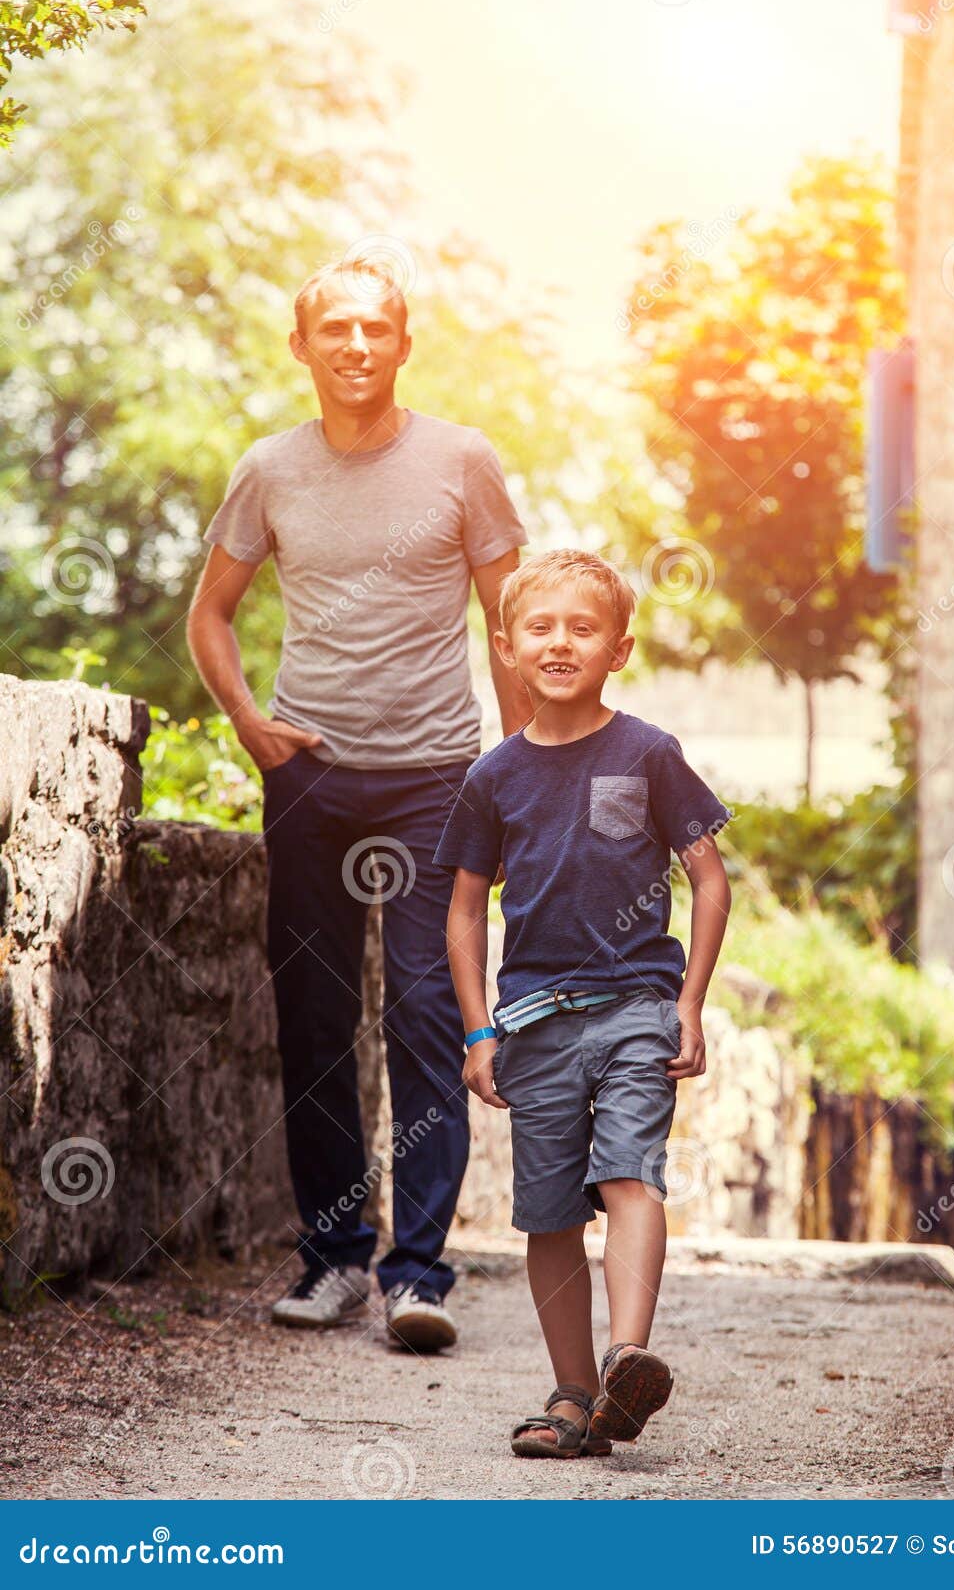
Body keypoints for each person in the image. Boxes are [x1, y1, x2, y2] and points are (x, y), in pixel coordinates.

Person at [187, 256, 532, 1351]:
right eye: (332, 329)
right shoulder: (268, 469)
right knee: (314, 1019)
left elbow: (509, 621)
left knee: (430, 1012)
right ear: (301, 347)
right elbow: (211, 615)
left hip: (439, 776)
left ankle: (417, 1274)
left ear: (402, 343)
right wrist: (250, 724)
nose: (354, 346)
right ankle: (336, 1255)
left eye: (374, 328)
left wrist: (527, 773)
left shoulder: (461, 462)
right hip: (311, 779)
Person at [434, 548, 732, 1454]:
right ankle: (573, 1400)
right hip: (533, 1024)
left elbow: (710, 882)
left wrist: (689, 1003)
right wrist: (478, 1029)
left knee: (631, 1170)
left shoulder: (649, 754)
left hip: (639, 1005)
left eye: (583, 628)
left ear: (619, 649)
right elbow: (462, 912)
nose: (560, 642)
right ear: (507, 647)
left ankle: (625, 1360)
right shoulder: (492, 777)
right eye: (541, 628)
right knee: (551, 1213)